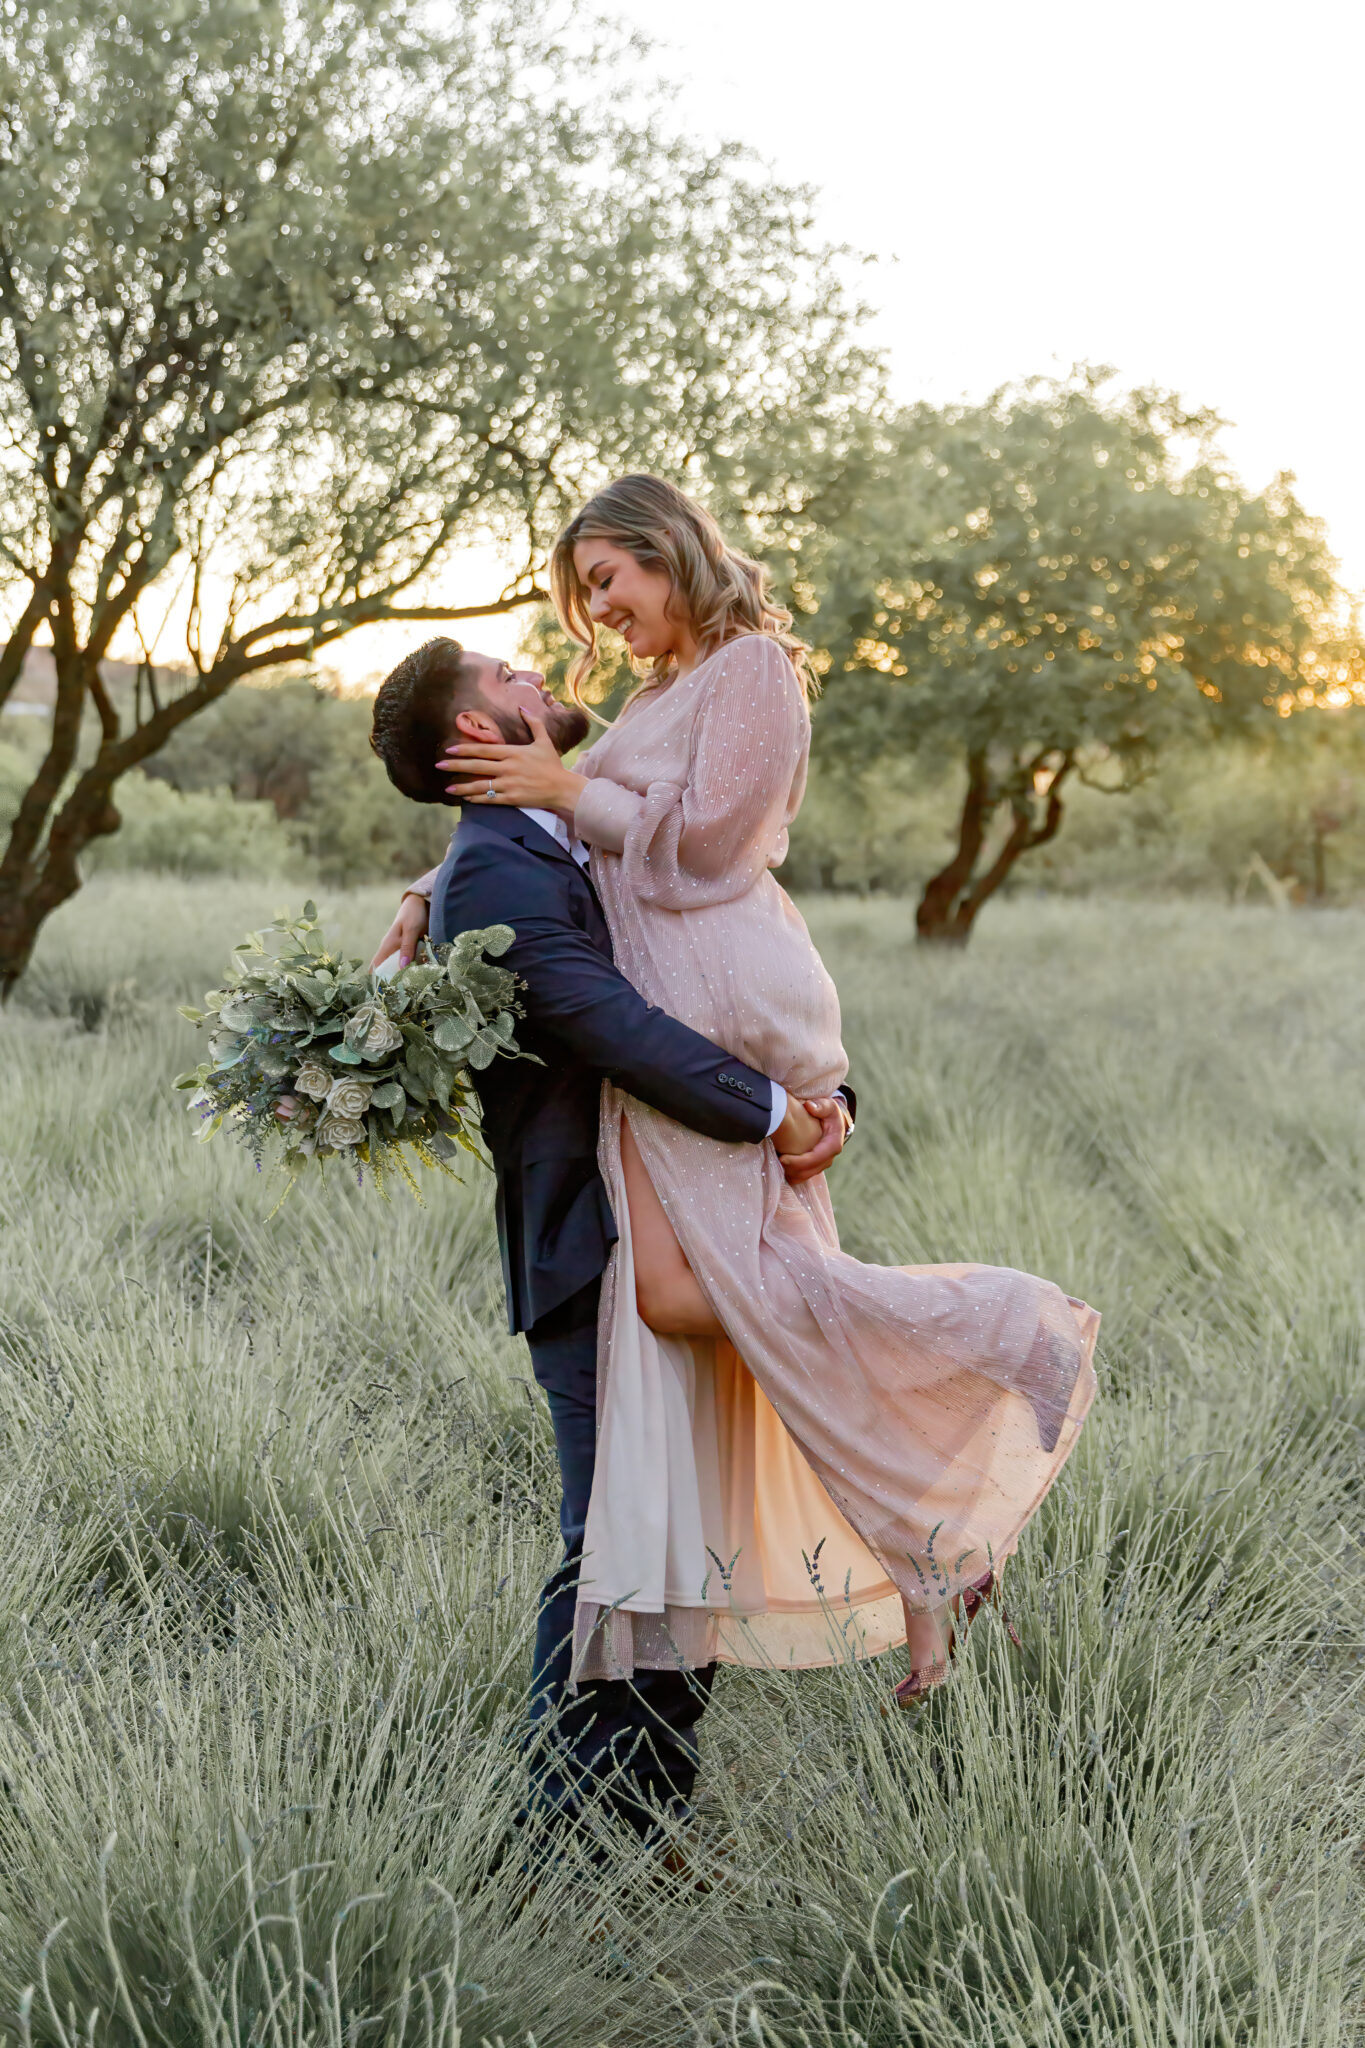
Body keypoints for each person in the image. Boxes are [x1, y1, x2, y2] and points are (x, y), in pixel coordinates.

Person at [422, 473, 1099, 1707]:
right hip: (679, 1037)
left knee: (719, 1298)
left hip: (718, 1012)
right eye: (585, 593)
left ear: (664, 549)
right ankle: (927, 1552)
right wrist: (431, 886)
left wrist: (574, 791)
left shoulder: (752, 669)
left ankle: (1008, 1333)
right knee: (726, 1311)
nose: (599, 608)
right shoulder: (659, 689)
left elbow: (712, 842)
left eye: (608, 579)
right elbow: (562, 830)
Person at [368, 639, 852, 1846]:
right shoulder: (495, 869)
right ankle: (562, 1847)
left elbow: (705, 957)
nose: (536, 670)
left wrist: (816, 1086)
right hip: (598, 1244)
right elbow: (605, 1017)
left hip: (676, 1228)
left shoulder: (544, 837)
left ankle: (640, 1818)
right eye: (505, 676)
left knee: (680, 1543)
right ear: (477, 736)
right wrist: (766, 1105)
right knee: (614, 1549)